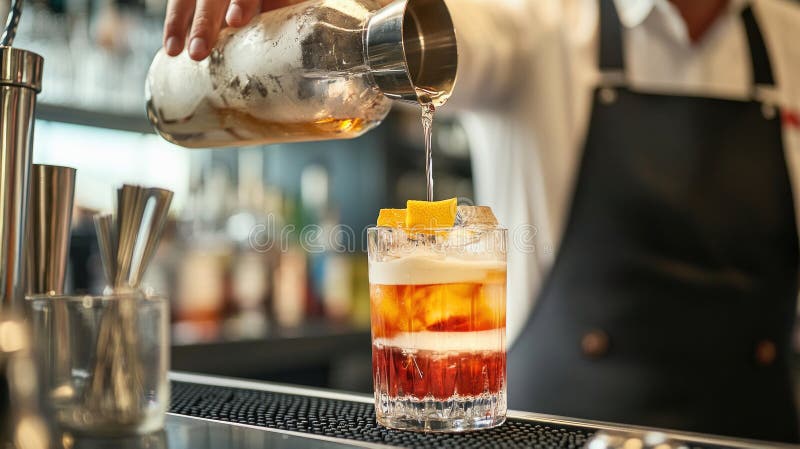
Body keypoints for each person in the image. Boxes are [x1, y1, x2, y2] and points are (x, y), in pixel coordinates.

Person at [162, 0, 800, 443]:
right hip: (552, 433)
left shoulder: (791, 39)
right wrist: (346, 11)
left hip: (755, 431)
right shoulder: (540, 22)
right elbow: (457, 32)